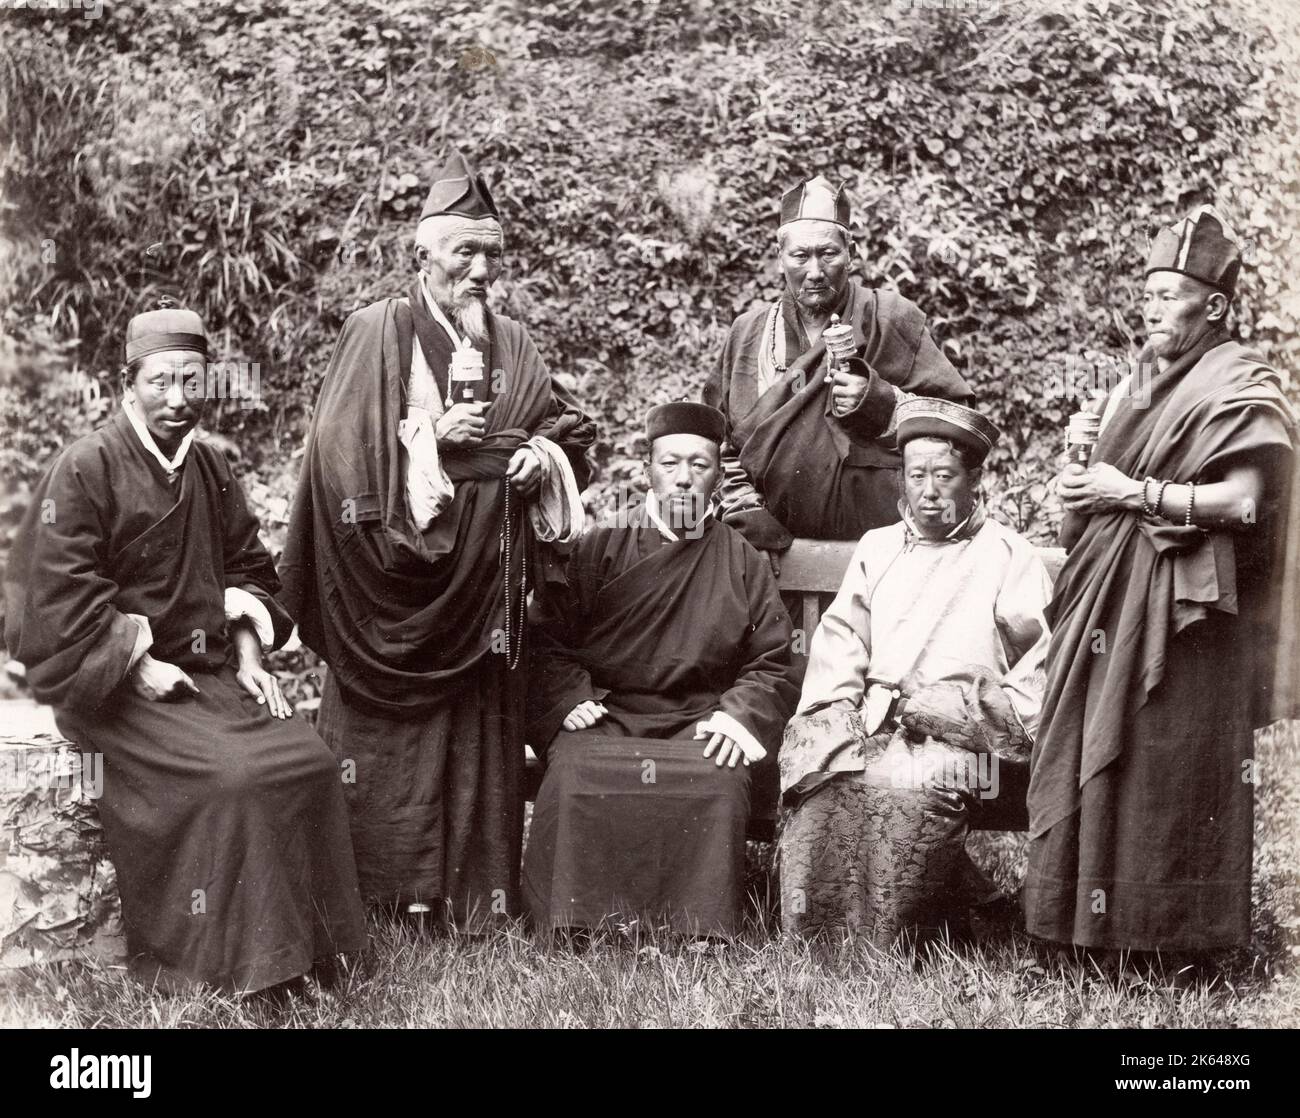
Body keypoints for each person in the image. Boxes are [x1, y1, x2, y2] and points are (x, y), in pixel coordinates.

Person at [3, 303, 366, 994]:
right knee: (231, 780)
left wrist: (253, 658)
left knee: (309, 762)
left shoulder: (210, 468)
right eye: (160, 381)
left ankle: (311, 958)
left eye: (191, 382)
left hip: (206, 671)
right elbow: (55, 601)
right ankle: (222, 969)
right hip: (111, 686)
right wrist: (135, 662)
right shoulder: (85, 469)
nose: (177, 399)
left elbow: (250, 571)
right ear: (126, 385)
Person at [279, 150, 596, 931]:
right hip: (393, 586)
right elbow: (339, 453)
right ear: (423, 254)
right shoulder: (376, 332)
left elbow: (568, 428)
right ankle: (377, 899)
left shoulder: (513, 342)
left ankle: (470, 903)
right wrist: (425, 442)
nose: (481, 269)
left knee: (474, 733)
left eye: (492, 253)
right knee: (386, 749)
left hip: (484, 583)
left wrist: (539, 456)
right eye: (465, 251)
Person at [1024, 205, 1298, 963]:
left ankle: (1174, 941)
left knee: (1167, 769)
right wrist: (1080, 469)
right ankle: (1084, 933)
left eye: (1168, 292)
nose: (1149, 306)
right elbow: (1083, 517)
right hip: (1108, 601)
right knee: (1093, 754)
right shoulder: (1136, 384)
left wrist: (1134, 494)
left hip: (1186, 612)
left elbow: (1243, 502)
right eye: (1145, 291)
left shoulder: (1237, 378)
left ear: (1213, 306)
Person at [779, 399, 1051, 947]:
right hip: (874, 718)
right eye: (916, 474)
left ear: (974, 479)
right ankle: (820, 939)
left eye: (944, 476)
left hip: (957, 733)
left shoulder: (1006, 554)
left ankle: (896, 941)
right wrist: (837, 708)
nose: (928, 491)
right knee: (822, 779)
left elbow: (1039, 661)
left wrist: (963, 710)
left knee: (909, 788)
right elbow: (844, 636)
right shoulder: (878, 548)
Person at [523, 402, 800, 937]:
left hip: (699, 719)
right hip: (610, 714)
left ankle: (695, 927)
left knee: (717, 778)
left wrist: (738, 717)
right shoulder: (600, 546)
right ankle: (577, 920)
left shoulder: (740, 557)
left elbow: (771, 658)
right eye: (670, 463)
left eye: (699, 465)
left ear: (718, 475)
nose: (683, 478)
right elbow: (548, 639)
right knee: (576, 769)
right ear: (646, 468)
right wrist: (566, 697)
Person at [703, 174, 973, 561]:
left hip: (883, 555)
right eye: (800, 256)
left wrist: (882, 404)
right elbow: (714, 442)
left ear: (851, 252)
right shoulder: (748, 334)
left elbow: (961, 427)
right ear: (780, 258)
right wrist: (743, 507)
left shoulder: (890, 318)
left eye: (828, 254)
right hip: (764, 552)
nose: (814, 271)